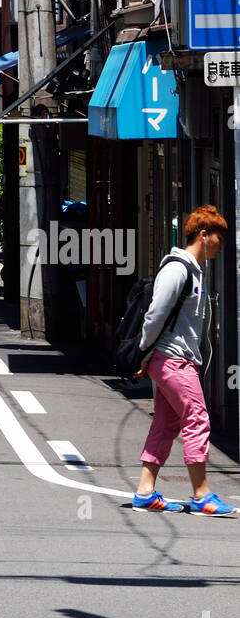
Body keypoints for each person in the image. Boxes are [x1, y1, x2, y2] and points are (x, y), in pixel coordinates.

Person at [132, 205, 238, 516]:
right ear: (204, 236)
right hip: (173, 358)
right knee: (198, 419)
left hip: (173, 357)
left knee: (167, 423)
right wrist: (144, 352)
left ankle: (144, 491)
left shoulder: (193, 270)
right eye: (219, 238)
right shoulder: (178, 269)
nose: (222, 246)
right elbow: (154, 315)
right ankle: (201, 495)